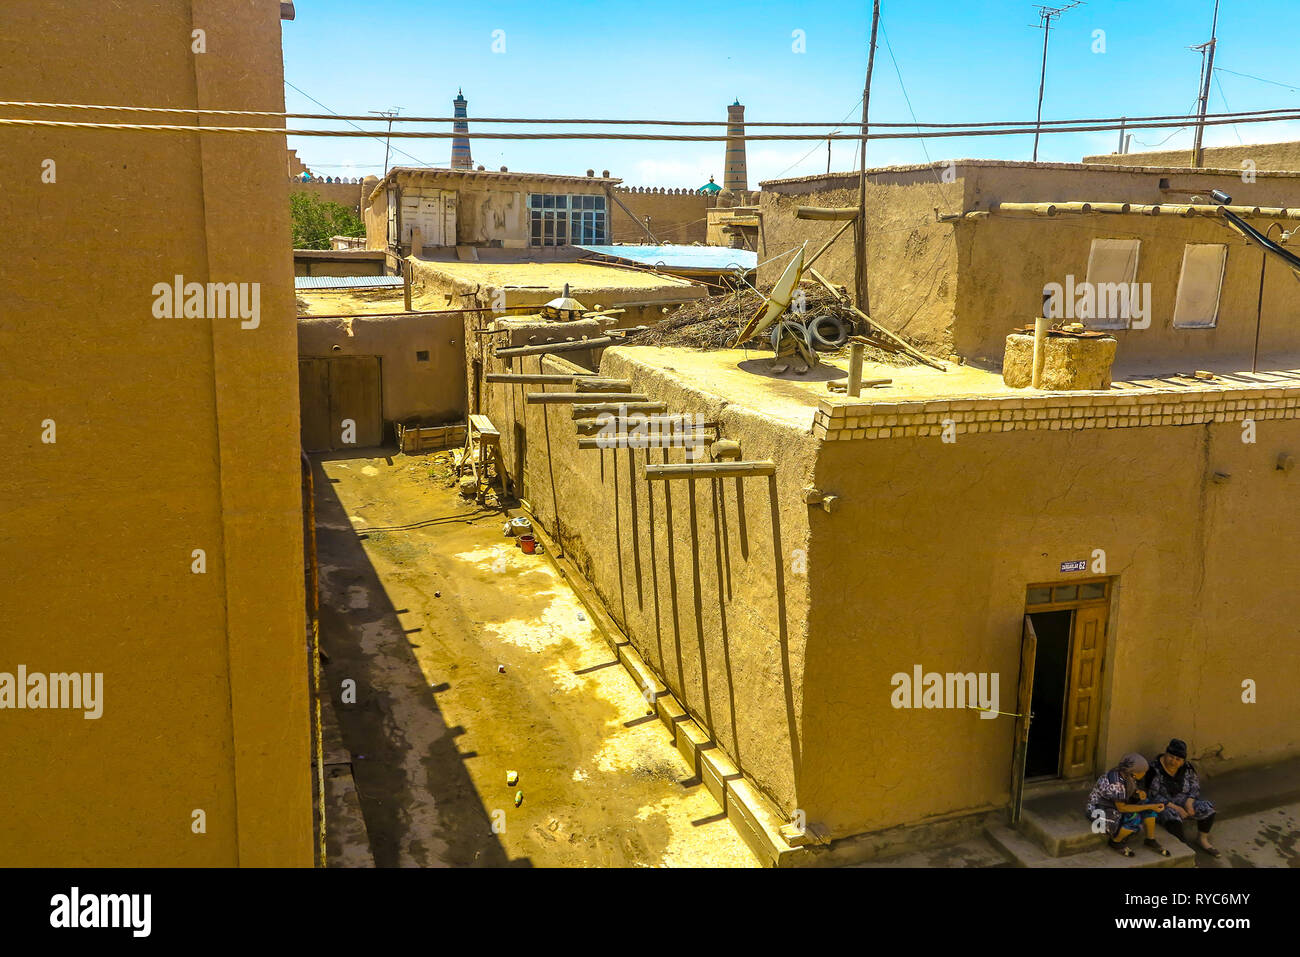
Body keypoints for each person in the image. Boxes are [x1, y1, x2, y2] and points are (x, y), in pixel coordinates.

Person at [1143, 738, 1220, 858]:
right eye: (1171, 757)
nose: (1173, 761)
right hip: (1165, 805)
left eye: (1178, 759)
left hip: (1184, 800)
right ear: (1166, 754)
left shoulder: (1187, 768)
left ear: (1183, 761)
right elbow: (1153, 795)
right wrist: (1178, 809)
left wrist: (1189, 803)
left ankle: (1202, 839)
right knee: (1172, 818)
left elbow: (1195, 786)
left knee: (1207, 808)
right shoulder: (1154, 769)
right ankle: (1183, 847)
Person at [1085, 753, 1171, 857]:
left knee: (1148, 805)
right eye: (1143, 771)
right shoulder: (1115, 783)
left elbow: (1129, 790)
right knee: (1134, 817)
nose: (1144, 773)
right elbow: (1122, 808)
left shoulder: (1127, 774)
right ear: (1135, 772)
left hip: (1116, 803)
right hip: (1099, 809)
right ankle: (1116, 841)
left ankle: (1150, 839)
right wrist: (1149, 807)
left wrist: (1137, 793)